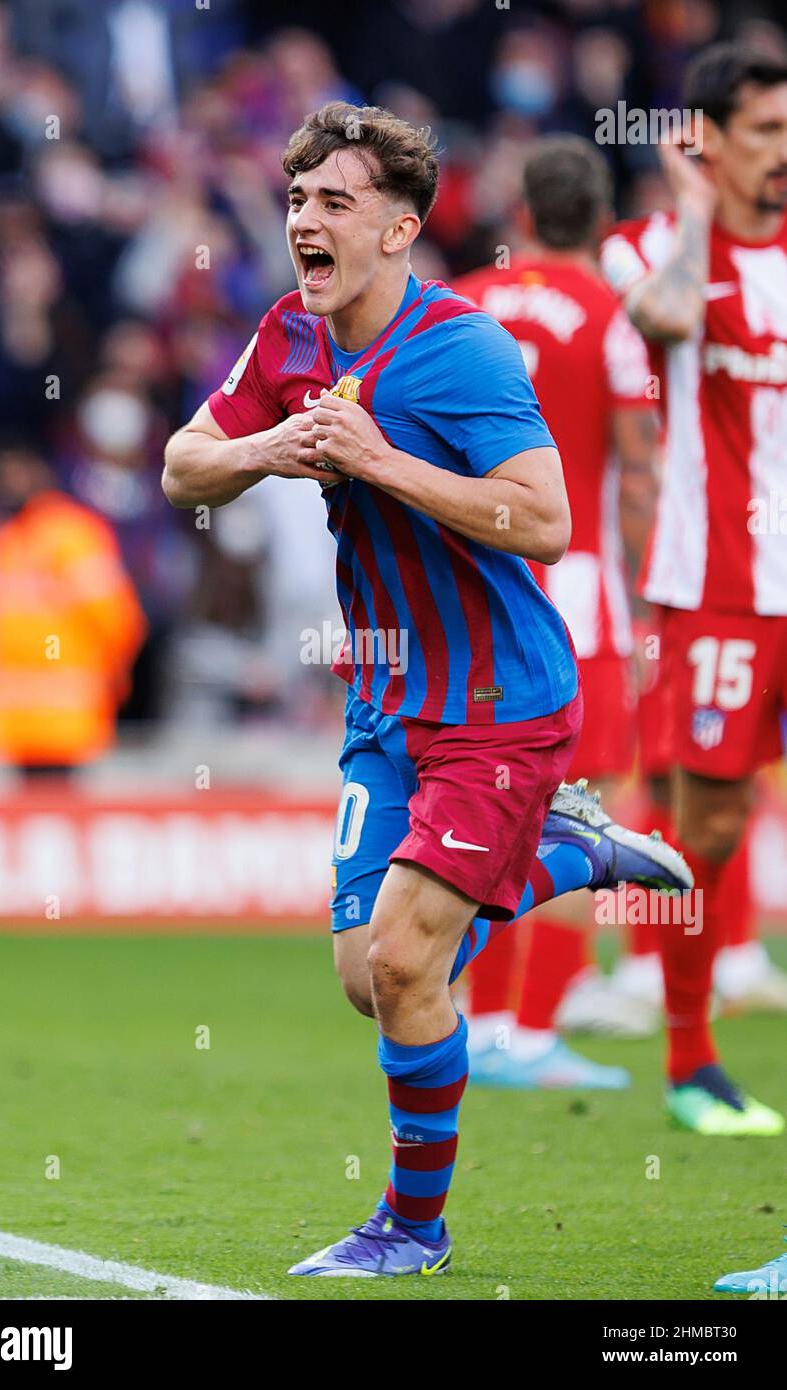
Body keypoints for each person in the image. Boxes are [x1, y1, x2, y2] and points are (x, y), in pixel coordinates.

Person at [163, 102, 691, 1278]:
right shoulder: (287, 340)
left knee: (407, 957)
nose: (306, 219)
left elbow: (546, 521)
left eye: (334, 202)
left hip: (498, 699)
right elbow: (180, 462)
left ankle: (412, 1228)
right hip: (386, 704)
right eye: (298, 200)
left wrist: (376, 461)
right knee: (370, 980)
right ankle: (572, 856)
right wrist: (269, 450)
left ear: (400, 229)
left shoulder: (459, 349)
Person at [601, 42, 787, 1138]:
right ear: (704, 139)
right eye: (762, 134)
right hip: (715, 588)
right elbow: (666, 320)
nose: (781, 158)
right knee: (704, 821)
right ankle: (689, 1057)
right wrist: (693, 207)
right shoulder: (653, 248)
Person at [454, 135, 659, 1089]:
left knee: (489, 804)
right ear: (604, 218)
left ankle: (481, 1021)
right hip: (577, 592)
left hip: (471, 585)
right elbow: (639, 475)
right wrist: (657, 598)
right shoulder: (614, 316)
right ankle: (532, 1030)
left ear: (523, 216)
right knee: (582, 814)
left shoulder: (458, 302)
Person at [0, 442, 146, 776]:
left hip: (65, 721)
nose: (5, 481)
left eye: (14, 470)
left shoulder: (70, 533)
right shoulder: (5, 538)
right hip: (11, 722)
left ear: (39, 471)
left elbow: (118, 619)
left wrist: (112, 681)